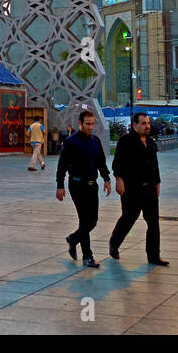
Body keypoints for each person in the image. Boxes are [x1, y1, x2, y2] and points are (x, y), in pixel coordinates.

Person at [108, 112, 167, 266]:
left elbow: (155, 165)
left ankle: (154, 256)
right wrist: (119, 180)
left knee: (153, 222)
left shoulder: (151, 142)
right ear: (135, 125)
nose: (147, 126)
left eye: (148, 123)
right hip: (132, 189)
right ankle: (114, 243)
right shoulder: (126, 141)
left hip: (150, 189)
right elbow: (117, 163)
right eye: (143, 123)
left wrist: (157, 184)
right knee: (128, 218)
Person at [55, 109, 110, 269]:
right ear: (80, 124)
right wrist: (60, 185)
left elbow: (101, 161)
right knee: (85, 220)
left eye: (93, 124)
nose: (91, 127)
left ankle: (73, 239)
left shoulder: (95, 140)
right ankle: (88, 256)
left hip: (93, 185)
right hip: (77, 185)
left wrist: (106, 178)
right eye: (87, 124)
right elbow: (62, 165)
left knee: (92, 221)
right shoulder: (72, 142)